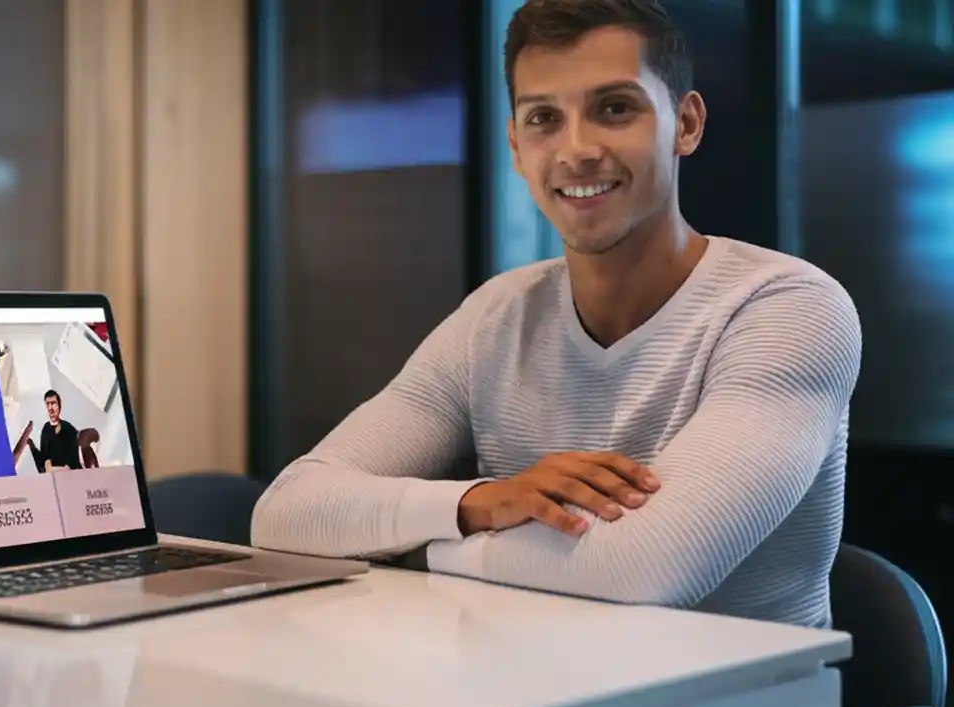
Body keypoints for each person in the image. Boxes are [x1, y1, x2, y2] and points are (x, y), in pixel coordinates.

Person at [250, 0, 861, 629]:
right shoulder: (495, 316)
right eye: (544, 118)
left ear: (685, 123)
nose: (577, 149)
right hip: (527, 684)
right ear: (516, 146)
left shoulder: (788, 309)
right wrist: (477, 504)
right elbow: (288, 512)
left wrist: (409, 547)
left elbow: (644, 568)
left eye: (614, 108)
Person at [29, 390, 83, 472]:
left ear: (59, 405)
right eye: (48, 404)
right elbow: (44, 458)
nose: (51, 408)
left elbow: (73, 463)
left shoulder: (68, 428)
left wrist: (53, 469)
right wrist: (31, 445)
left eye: (53, 403)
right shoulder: (46, 429)